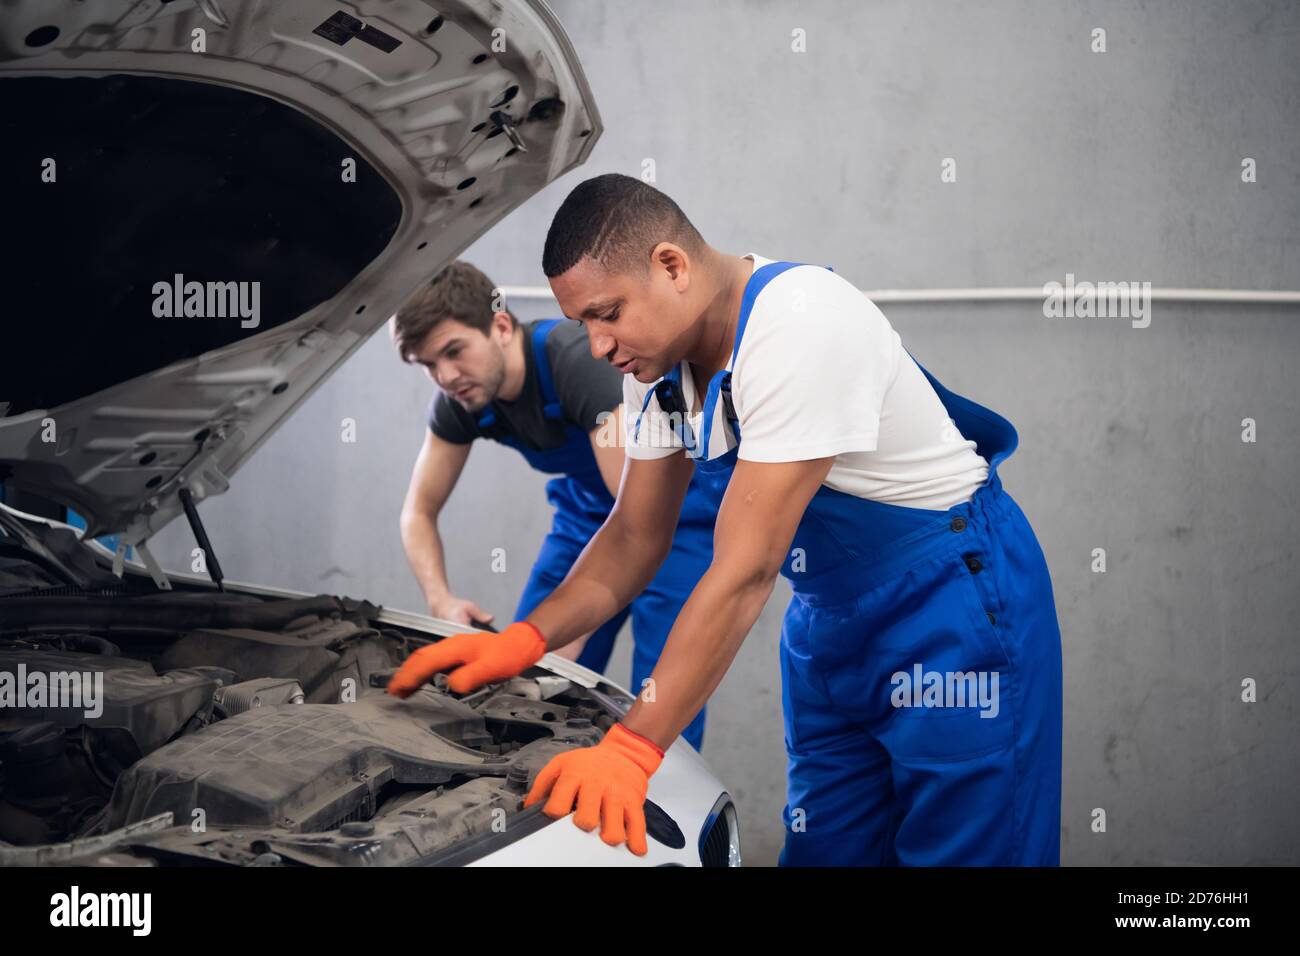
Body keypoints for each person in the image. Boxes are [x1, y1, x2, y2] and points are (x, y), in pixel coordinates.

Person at [388, 176, 1063, 865]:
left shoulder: (798, 324)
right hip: (829, 621)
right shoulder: (659, 376)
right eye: (583, 323)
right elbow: (632, 537)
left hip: (950, 609)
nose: (595, 345)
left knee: (966, 848)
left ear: (671, 266)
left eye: (607, 312)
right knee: (828, 848)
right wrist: (527, 638)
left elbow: (745, 572)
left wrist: (631, 747)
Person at [391, 260, 713, 749]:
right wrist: (441, 599)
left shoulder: (576, 365)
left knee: (661, 702)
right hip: (586, 514)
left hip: (672, 522)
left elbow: (634, 524)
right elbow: (418, 512)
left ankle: (653, 810)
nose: (446, 376)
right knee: (520, 680)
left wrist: (579, 618)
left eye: (453, 351)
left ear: (500, 326)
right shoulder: (462, 402)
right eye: (429, 365)